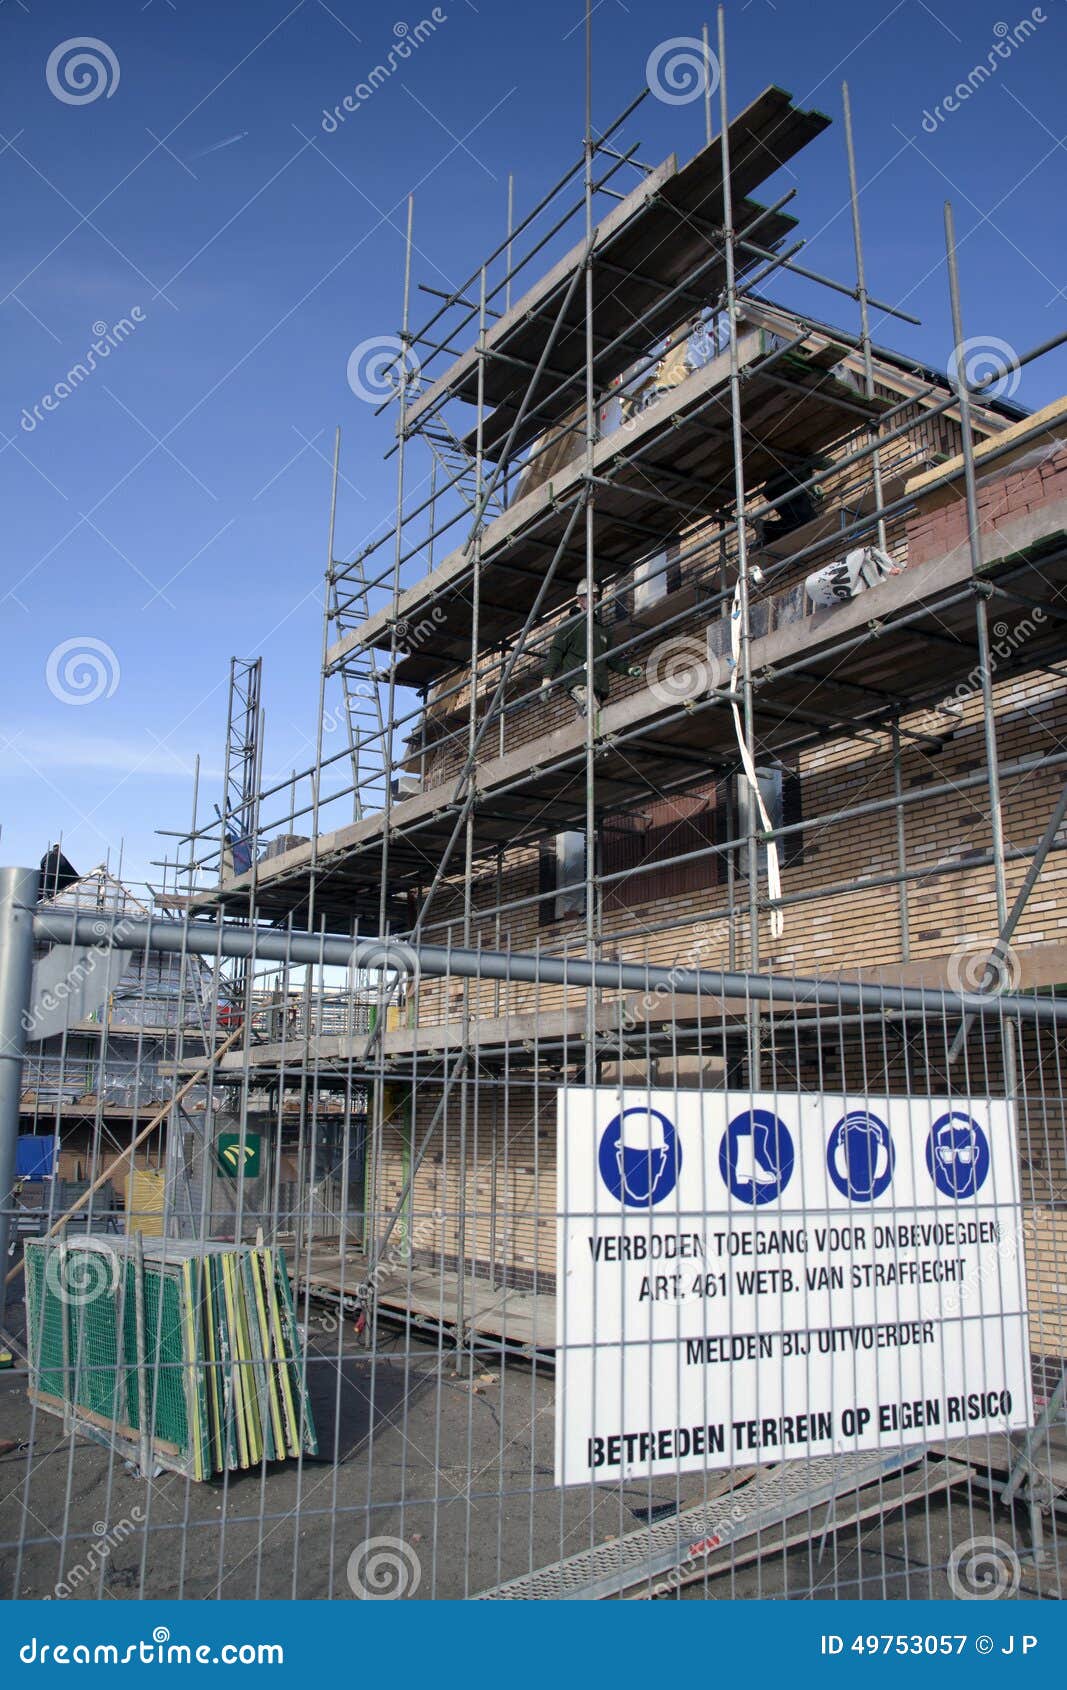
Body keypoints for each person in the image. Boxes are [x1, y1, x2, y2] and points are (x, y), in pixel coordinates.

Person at [541, 587, 641, 720]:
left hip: (598, 684)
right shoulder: (570, 623)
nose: (592, 599)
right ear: (579, 600)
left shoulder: (602, 630)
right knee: (592, 711)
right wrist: (547, 679)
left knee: (587, 718)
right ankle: (593, 731)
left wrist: (629, 669)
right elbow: (556, 650)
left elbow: (612, 659)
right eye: (588, 596)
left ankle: (580, 731)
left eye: (594, 596)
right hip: (579, 679)